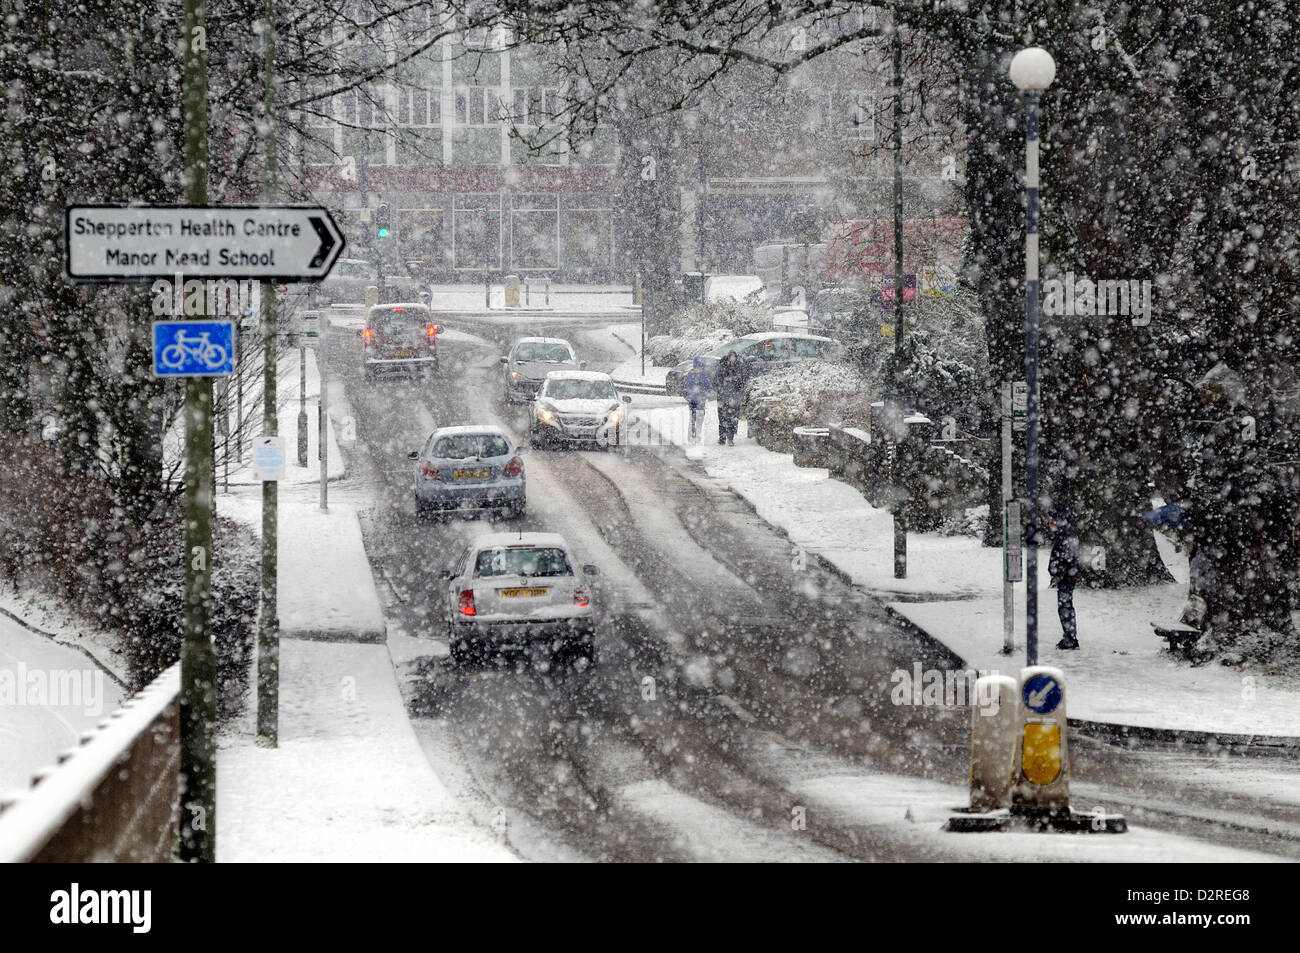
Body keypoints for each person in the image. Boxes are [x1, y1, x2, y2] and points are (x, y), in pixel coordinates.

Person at [1047, 496, 1081, 650]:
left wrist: (1059, 573)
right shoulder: (1066, 534)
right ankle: (1069, 636)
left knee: (1065, 606)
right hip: (1067, 575)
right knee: (1065, 606)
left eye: (1052, 519)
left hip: (1066, 576)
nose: (1050, 522)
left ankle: (1070, 638)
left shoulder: (1065, 536)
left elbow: (1066, 558)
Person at [715, 351, 744, 446]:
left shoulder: (738, 367)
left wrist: (737, 391)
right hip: (723, 397)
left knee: (732, 419)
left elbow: (741, 382)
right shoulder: (722, 367)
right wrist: (722, 391)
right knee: (722, 418)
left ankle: (730, 439)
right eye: (731, 357)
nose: (732, 359)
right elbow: (717, 381)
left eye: (734, 357)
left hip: (733, 398)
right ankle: (722, 438)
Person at [683, 357, 711, 444]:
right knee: (699, 419)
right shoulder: (702, 375)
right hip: (700, 400)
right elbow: (708, 386)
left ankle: (691, 436)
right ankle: (697, 436)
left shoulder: (689, 375)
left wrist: (688, 396)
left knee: (692, 419)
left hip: (692, 400)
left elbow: (686, 387)